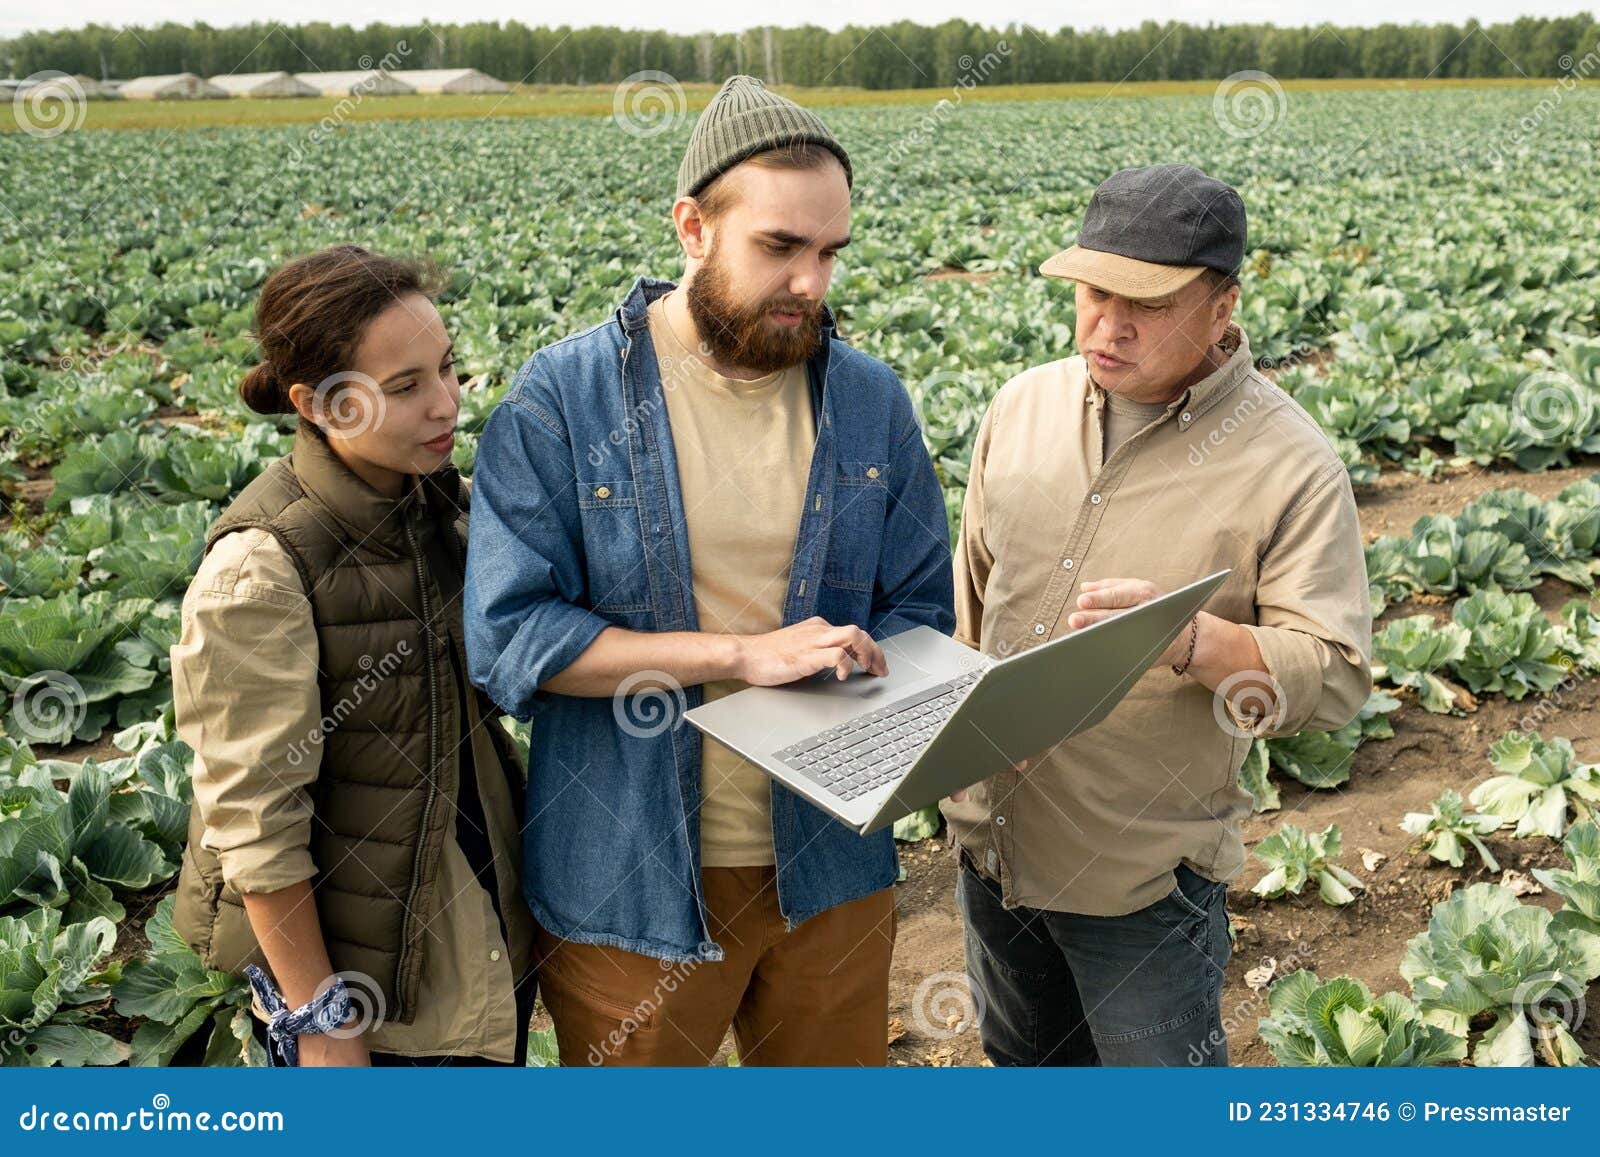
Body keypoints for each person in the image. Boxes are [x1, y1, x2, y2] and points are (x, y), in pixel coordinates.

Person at [464, 76, 954, 1066]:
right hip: (629, 883)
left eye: (828, 253)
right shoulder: (563, 400)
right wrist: (740, 652)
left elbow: (918, 608)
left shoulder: (867, 401)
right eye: (779, 247)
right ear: (692, 226)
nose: (810, 282)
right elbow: (510, 635)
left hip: (830, 869)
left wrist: (934, 692)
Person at [941, 164, 1372, 1067]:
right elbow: (971, 600)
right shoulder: (1020, 407)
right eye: (1093, 291)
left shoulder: (1289, 463)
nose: (1109, 323)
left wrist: (1191, 641)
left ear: (1223, 308)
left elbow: (1333, 676)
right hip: (992, 853)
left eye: (1150, 302)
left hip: (1139, 888)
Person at [170, 244, 538, 1066]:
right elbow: (255, 826)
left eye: (447, 369)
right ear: (320, 402)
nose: (446, 403)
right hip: (377, 991)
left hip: (479, 938)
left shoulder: (437, 505)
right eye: (405, 387)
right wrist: (322, 1019)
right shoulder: (260, 570)